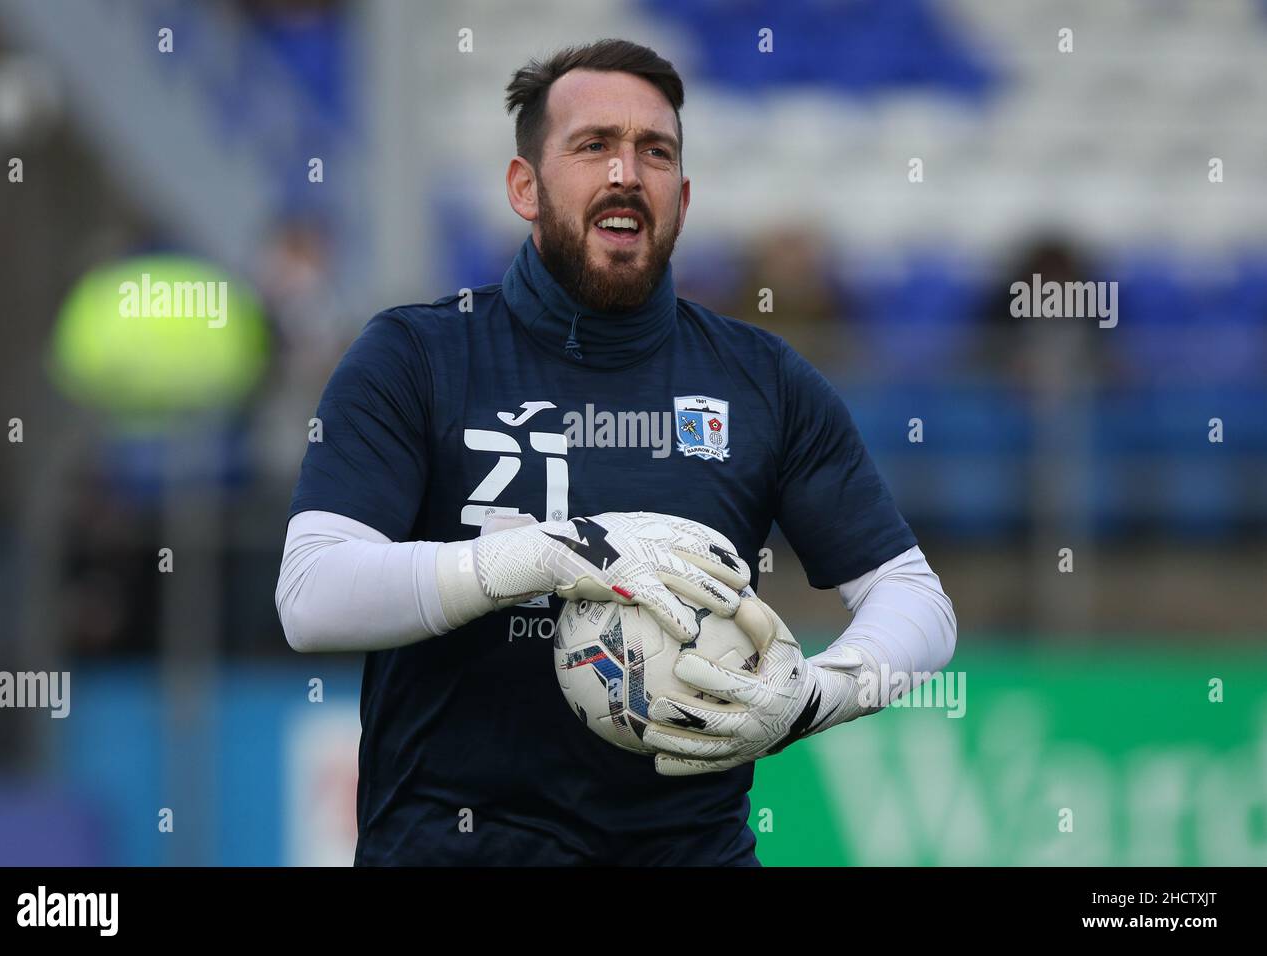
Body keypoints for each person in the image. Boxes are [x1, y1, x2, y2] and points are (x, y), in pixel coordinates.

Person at [275, 38, 956, 866]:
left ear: (683, 196)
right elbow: (311, 596)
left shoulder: (764, 381)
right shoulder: (416, 355)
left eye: (654, 152)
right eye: (594, 145)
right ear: (525, 188)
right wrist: (539, 557)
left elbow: (916, 601)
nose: (627, 173)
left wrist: (812, 696)